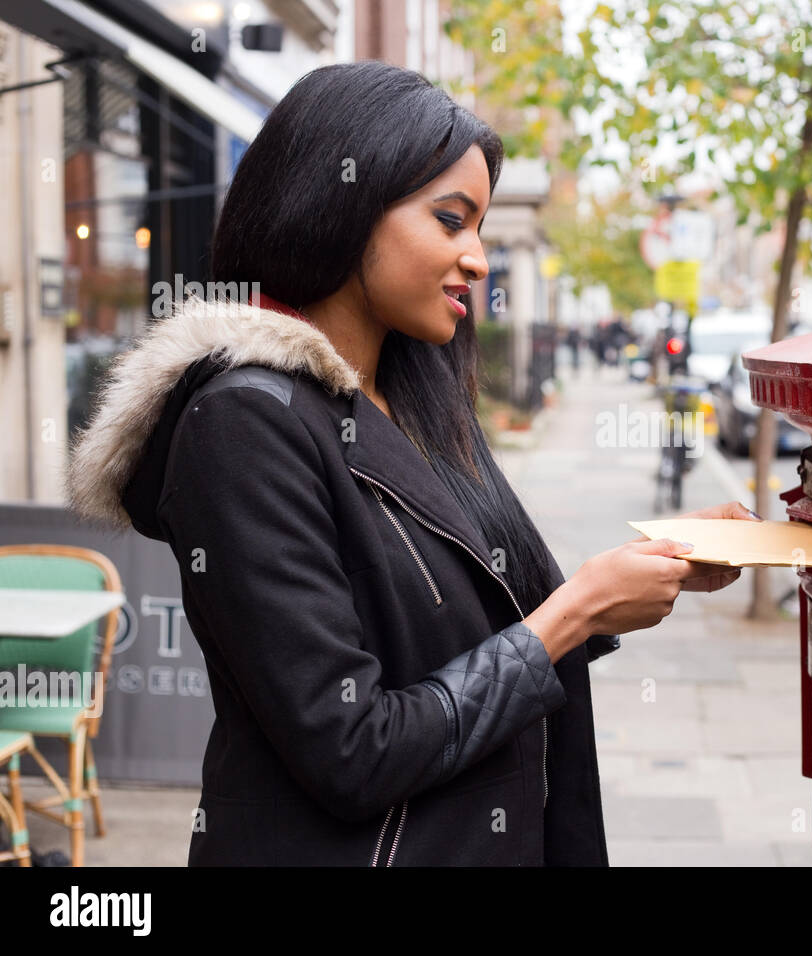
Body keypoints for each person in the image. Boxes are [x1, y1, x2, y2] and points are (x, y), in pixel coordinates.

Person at [64, 61, 754, 866]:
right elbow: (352, 749)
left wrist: (648, 564)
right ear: (343, 202)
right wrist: (579, 614)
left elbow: (469, 633)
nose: (479, 259)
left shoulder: (408, 397)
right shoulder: (243, 422)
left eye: (483, 228)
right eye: (451, 221)